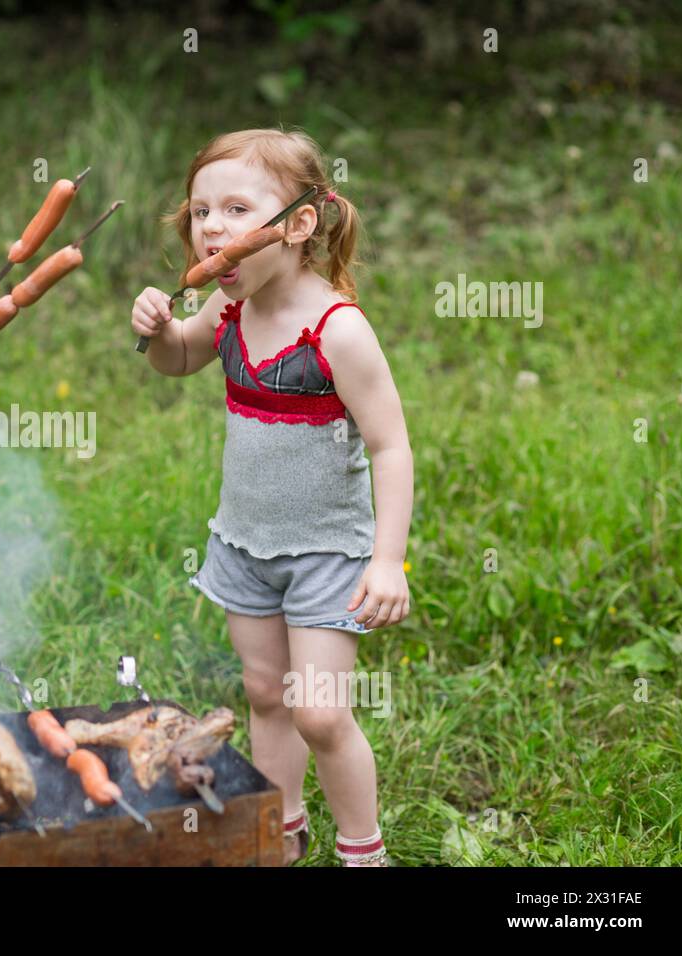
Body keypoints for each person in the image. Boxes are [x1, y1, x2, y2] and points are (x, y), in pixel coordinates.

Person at [131, 128, 413, 866]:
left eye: (234, 210)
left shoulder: (336, 331)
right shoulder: (229, 313)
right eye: (200, 212)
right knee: (265, 693)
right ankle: (279, 831)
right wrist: (161, 333)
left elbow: (392, 447)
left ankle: (363, 850)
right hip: (245, 546)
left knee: (319, 712)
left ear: (298, 225)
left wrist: (388, 563)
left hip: (326, 555)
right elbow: (181, 359)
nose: (211, 229)